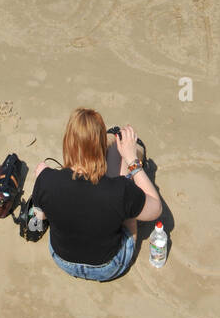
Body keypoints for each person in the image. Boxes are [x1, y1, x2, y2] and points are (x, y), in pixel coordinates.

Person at [32, 108, 162, 281]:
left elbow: (39, 217)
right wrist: (132, 160)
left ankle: (111, 144)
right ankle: (120, 146)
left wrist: (43, 176)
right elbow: (156, 209)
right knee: (126, 198)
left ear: (67, 142)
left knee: (53, 192)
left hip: (62, 258)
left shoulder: (46, 180)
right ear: (100, 147)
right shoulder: (120, 190)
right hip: (108, 266)